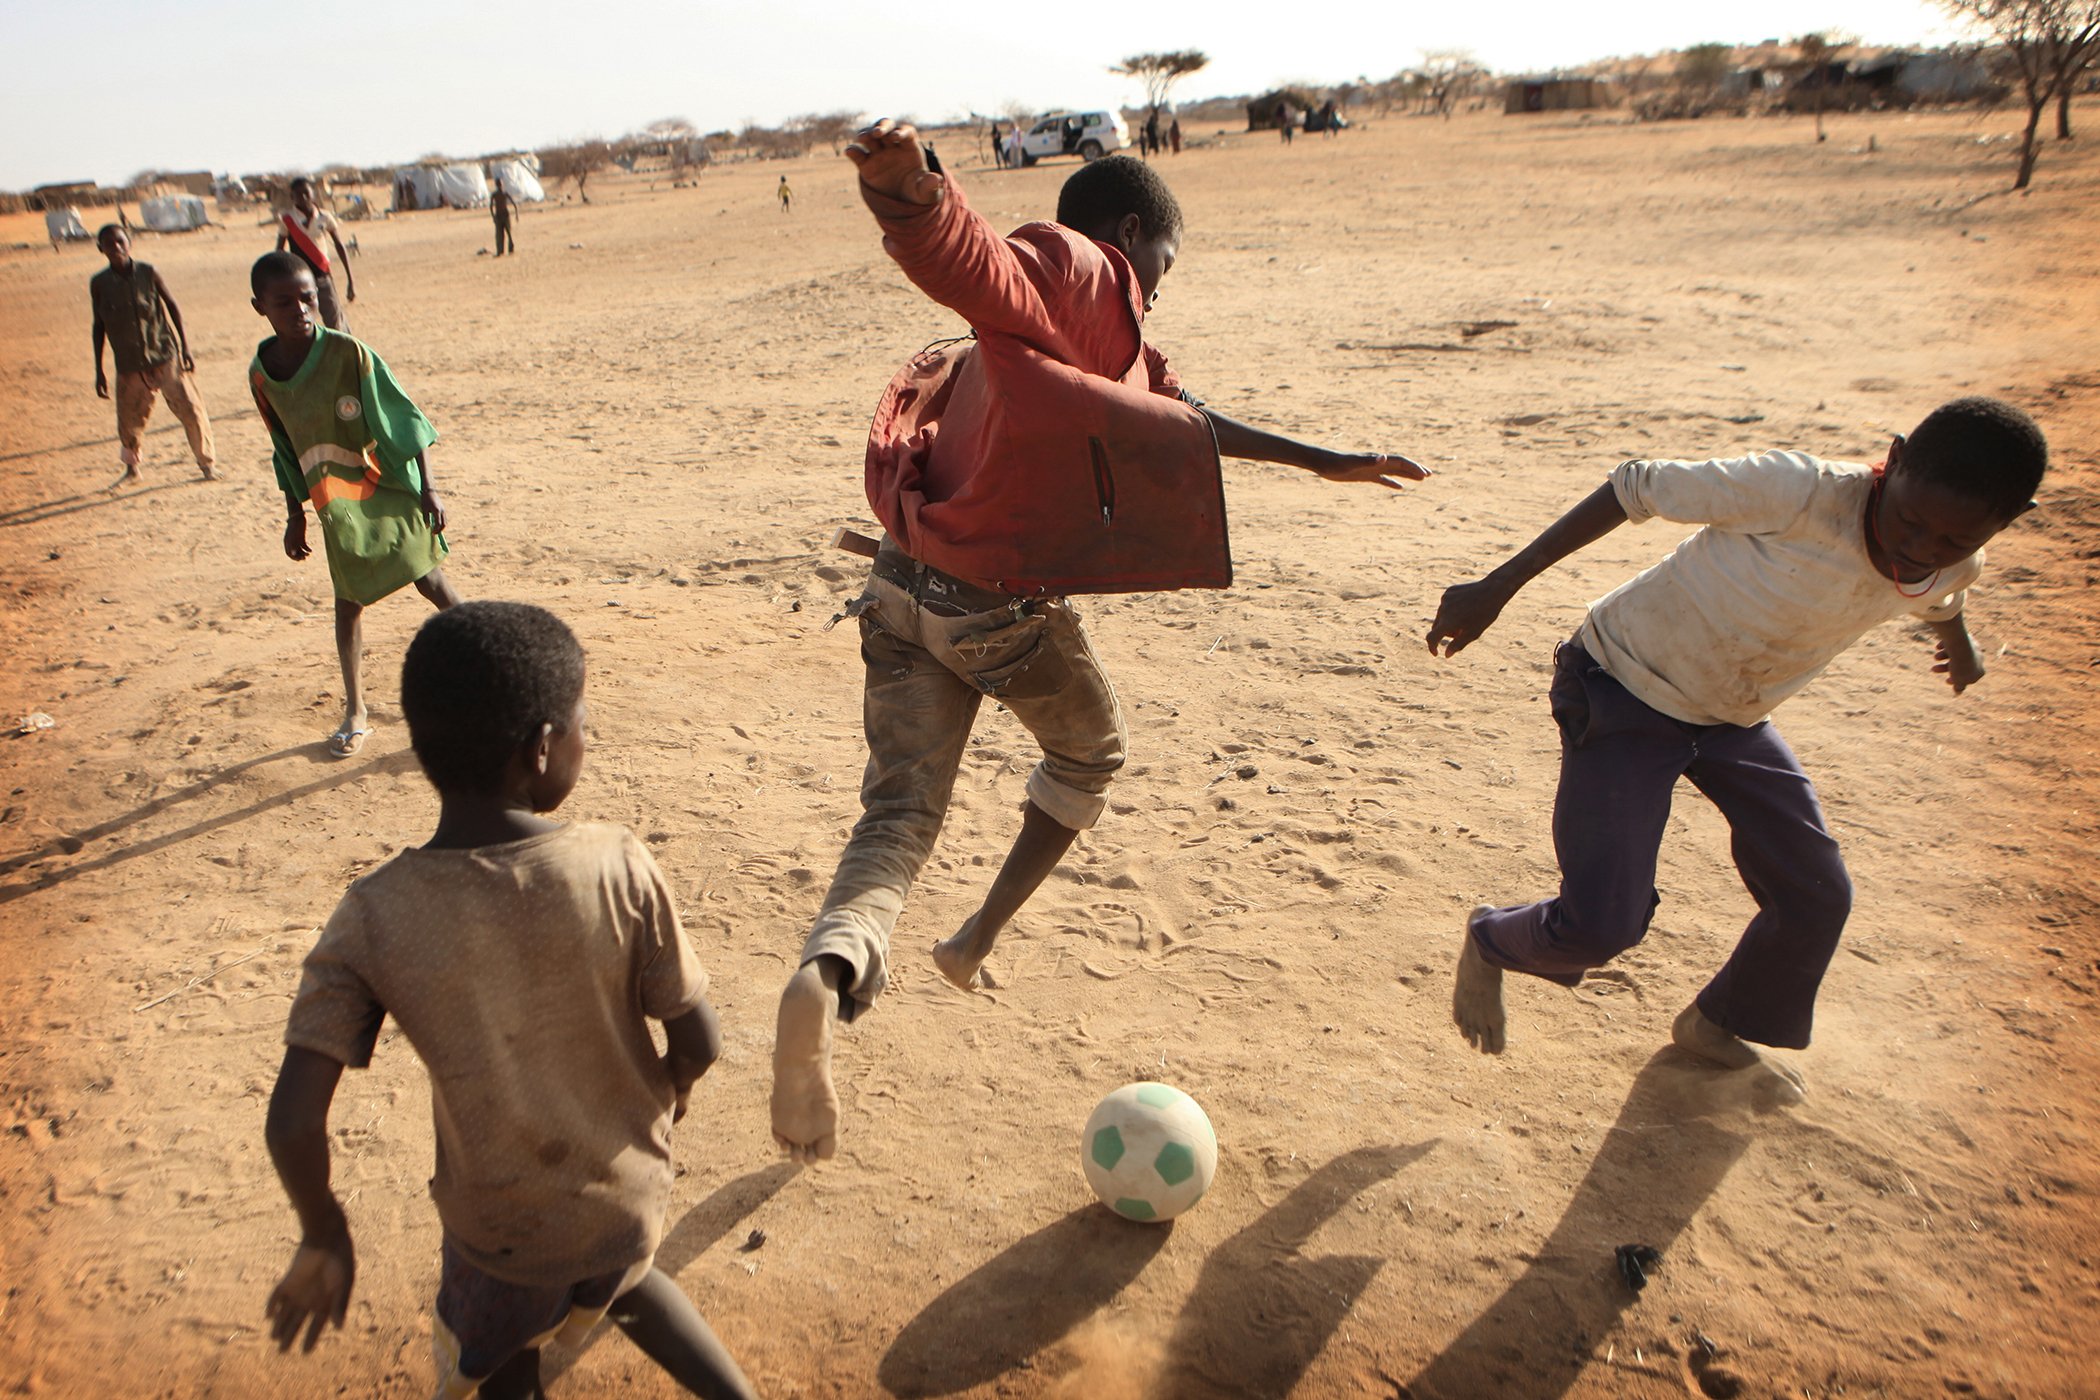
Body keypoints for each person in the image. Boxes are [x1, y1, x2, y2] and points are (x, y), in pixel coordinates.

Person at [768, 126, 1430, 1163]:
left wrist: (1319, 460)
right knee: (1090, 752)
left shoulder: (1101, 341)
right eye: (1163, 263)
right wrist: (914, 195)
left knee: (896, 817)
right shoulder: (1083, 271)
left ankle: (830, 970)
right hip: (992, 609)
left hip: (899, 588)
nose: (1158, 288)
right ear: (1133, 234)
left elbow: (1178, 413)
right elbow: (981, 264)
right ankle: (974, 935)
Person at [1426, 397, 2049, 1100]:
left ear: (2009, 520)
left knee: (1817, 895)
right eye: (1909, 521)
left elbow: (1942, 598)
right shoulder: (1795, 491)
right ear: (1894, 460)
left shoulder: (1952, 564)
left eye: (1952, 540)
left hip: (1734, 717)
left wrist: (1960, 649)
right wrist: (1497, 587)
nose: (1922, 548)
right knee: (1602, 925)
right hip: (1621, 685)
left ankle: (1717, 1021)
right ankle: (1492, 939)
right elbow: (1634, 487)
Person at [262, 601, 758, 1400]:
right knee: (624, 1279)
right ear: (542, 748)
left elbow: (292, 1119)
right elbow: (699, 1036)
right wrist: (674, 1090)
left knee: (502, 1361)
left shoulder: (375, 914)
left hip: (501, 1235)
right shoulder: (617, 864)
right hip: (627, 1200)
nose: (586, 735)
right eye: (582, 720)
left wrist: (324, 1232)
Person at [247, 251, 462, 758]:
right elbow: (282, 446)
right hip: (334, 502)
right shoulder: (262, 375)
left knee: (432, 582)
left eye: (308, 297)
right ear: (260, 307)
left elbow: (406, 416)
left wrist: (428, 488)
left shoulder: (350, 353)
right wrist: (293, 514)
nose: (301, 309)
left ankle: (493, 663)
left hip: (386, 483)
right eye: (285, 302)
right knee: (348, 604)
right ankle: (356, 709)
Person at [89, 224, 217, 483]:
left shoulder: (148, 273)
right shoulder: (99, 284)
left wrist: (185, 347)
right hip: (129, 361)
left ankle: (207, 465)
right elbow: (98, 325)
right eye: (108, 243)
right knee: (128, 420)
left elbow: (172, 305)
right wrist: (99, 369)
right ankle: (132, 470)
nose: (115, 247)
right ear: (100, 249)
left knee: (191, 409)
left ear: (129, 243)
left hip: (163, 353)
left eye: (120, 241)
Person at [276, 176, 356, 331]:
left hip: (322, 277)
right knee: (303, 322)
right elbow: (279, 251)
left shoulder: (324, 217)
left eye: (306, 193)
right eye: (298, 194)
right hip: (300, 281)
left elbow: (339, 246)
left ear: (313, 193)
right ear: (292, 197)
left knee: (334, 321)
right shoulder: (287, 220)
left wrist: (350, 280)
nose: (303, 197)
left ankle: (346, 350)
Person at [491, 181, 517, 256]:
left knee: (507, 233)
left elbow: (513, 203)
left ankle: (508, 249)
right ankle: (500, 250)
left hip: (504, 215)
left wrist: (516, 214)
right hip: (500, 216)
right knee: (500, 234)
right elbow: (491, 206)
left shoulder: (503, 194)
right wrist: (493, 216)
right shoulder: (495, 195)